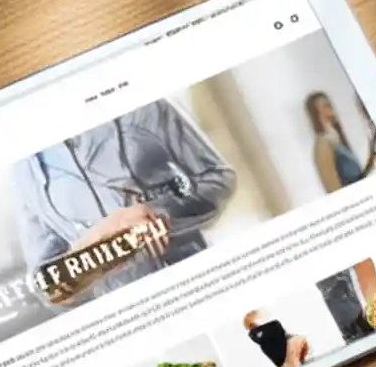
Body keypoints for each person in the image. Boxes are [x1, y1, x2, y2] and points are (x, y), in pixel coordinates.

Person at [13, 98, 236, 305]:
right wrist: (98, 242)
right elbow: (44, 283)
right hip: (126, 313)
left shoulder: (141, 107)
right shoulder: (23, 169)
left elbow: (217, 177)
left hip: (199, 285)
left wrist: (157, 213)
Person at [307, 91, 367, 193]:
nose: (332, 108)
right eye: (326, 106)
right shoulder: (323, 143)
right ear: (317, 112)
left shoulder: (337, 137)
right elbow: (332, 186)